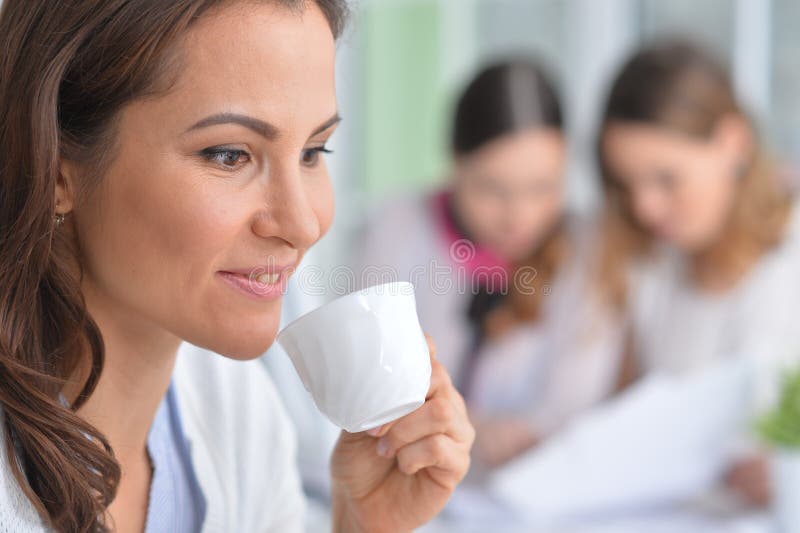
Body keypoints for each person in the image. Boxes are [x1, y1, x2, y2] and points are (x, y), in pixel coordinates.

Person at [0, 1, 474, 532]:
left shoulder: (242, 417)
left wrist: (362, 526)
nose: (302, 223)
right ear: (56, 170)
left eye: (314, 152)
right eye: (229, 155)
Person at [356, 59, 623, 471]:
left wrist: (515, 434)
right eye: (493, 188)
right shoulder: (396, 231)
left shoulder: (587, 250)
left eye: (542, 188)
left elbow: (577, 404)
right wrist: (471, 429)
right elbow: (373, 381)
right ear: (455, 162)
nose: (519, 216)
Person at [596, 40, 800, 508]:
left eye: (666, 179)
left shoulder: (789, 262)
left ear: (732, 143)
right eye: (627, 185)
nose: (644, 207)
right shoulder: (649, 270)